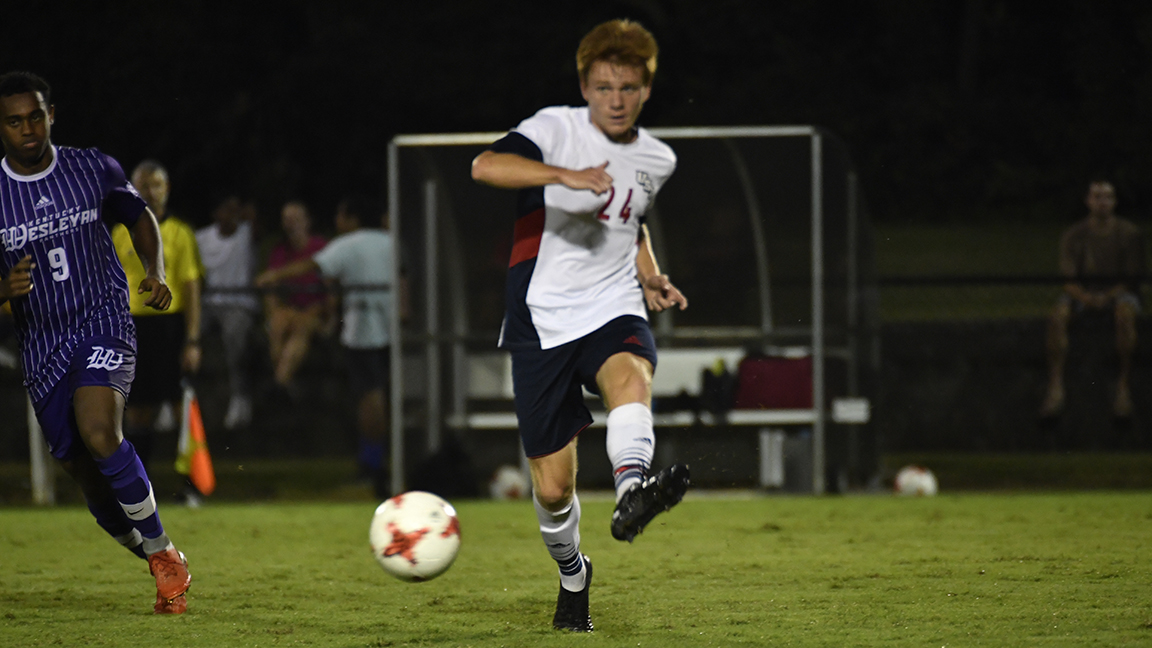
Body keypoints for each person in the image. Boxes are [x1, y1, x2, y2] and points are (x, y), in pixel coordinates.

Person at [470, 19, 691, 632]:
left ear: (646, 90)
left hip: (613, 304)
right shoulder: (553, 129)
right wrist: (563, 176)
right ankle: (574, 573)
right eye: (603, 87)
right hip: (541, 319)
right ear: (584, 86)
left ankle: (632, 493)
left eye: (627, 88)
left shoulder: (656, 158)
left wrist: (648, 274)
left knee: (631, 377)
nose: (614, 99)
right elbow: (486, 167)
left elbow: (631, 221)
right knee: (551, 488)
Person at [0, 71, 191, 613]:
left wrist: (154, 268)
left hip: (102, 318)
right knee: (83, 473)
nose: (28, 129)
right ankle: (159, 551)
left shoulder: (91, 168)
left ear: (51, 114)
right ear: (1, 127)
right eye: (14, 121)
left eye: (36, 115)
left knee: (100, 430)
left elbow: (139, 215)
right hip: (42, 343)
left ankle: (163, 558)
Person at [256, 195, 396, 498]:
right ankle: (377, 463)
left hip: (364, 332)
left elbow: (312, 266)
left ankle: (373, 466)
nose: (337, 222)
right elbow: (406, 281)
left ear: (351, 217)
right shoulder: (393, 242)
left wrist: (273, 275)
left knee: (370, 399)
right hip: (393, 330)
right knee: (379, 397)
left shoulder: (348, 244)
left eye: (341, 215)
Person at [111, 161, 202, 480]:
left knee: (182, 406)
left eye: (157, 185)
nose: (150, 192)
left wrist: (192, 339)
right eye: (143, 186)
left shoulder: (180, 232)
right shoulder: (121, 233)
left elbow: (191, 288)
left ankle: (191, 486)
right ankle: (141, 484)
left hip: (170, 326)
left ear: (167, 190)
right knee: (138, 410)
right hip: (133, 327)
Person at [1040, 179, 1146, 419]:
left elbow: (1132, 278)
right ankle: (1055, 386)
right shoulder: (1074, 235)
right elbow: (1068, 279)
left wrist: (1107, 296)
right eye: (1097, 197)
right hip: (1083, 292)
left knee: (1125, 317)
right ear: (1088, 201)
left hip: (1120, 292)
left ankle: (1123, 386)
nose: (1102, 202)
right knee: (1056, 318)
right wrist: (1086, 297)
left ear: (1114, 202)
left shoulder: (1129, 234)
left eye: (1107, 197)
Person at [196, 195, 258, 429]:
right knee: (186, 334)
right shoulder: (201, 238)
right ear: (216, 213)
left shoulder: (247, 233)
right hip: (209, 303)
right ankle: (175, 399)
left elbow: (256, 230)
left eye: (236, 210)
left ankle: (240, 397)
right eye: (227, 209)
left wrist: (250, 217)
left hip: (239, 303)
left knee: (235, 338)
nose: (232, 214)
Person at [263, 200, 331, 394]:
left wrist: (330, 316)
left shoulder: (321, 247)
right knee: (277, 324)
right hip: (289, 309)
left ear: (307, 221)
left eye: (295, 219)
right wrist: (273, 311)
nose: (290, 223)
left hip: (313, 310)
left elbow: (331, 284)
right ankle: (284, 382)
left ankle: (279, 383)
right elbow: (270, 284)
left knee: (302, 327)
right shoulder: (279, 250)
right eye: (286, 219)